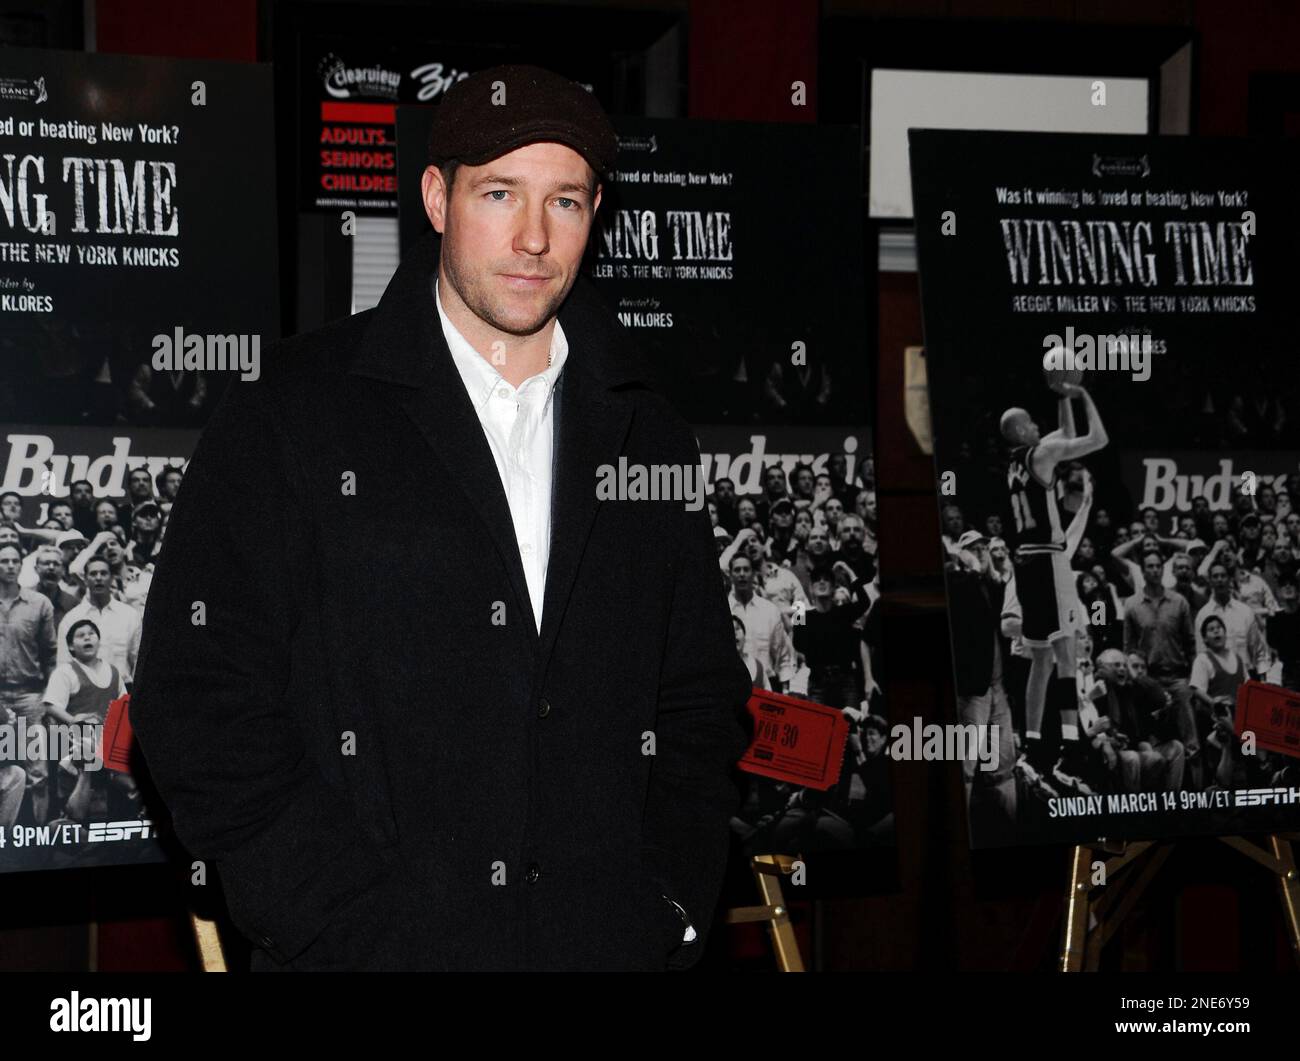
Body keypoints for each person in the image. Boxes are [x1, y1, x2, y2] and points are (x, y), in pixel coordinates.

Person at [130, 65, 751, 973]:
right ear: (436, 198)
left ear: (595, 214)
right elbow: (197, 698)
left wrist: (667, 909)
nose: (534, 237)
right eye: (500, 193)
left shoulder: (646, 430)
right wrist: (340, 923)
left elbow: (698, 698)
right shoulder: (292, 412)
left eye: (565, 201)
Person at [999, 382, 1108, 780]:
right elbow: (1097, 439)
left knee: (1041, 659)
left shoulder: (1017, 461)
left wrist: (1062, 395)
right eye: (1031, 423)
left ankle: (1030, 746)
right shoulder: (1042, 454)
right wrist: (1082, 394)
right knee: (1066, 652)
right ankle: (1070, 746)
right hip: (1048, 559)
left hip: (1026, 563)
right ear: (1021, 431)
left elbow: (1064, 432)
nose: (1036, 426)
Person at [42, 619, 138, 822]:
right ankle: (74, 814)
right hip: (77, 739)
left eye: (91, 633)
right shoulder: (65, 672)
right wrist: (73, 720)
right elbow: (51, 705)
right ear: (71, 646)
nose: (87, 637)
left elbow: (124, 707)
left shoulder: (113, 671)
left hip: (108, 740)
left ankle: (132, 807)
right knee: (89, 754)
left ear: (98, 640)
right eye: (80, 635)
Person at [0, 543, 57, 824]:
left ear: (22, 565)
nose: (10, 565)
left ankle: (38, 838)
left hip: (30, 696)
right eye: (4, 561)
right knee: (6, 774)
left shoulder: (39, 603)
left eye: (14, 560)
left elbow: (50, 655)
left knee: (38, 773)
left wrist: (48, 698)